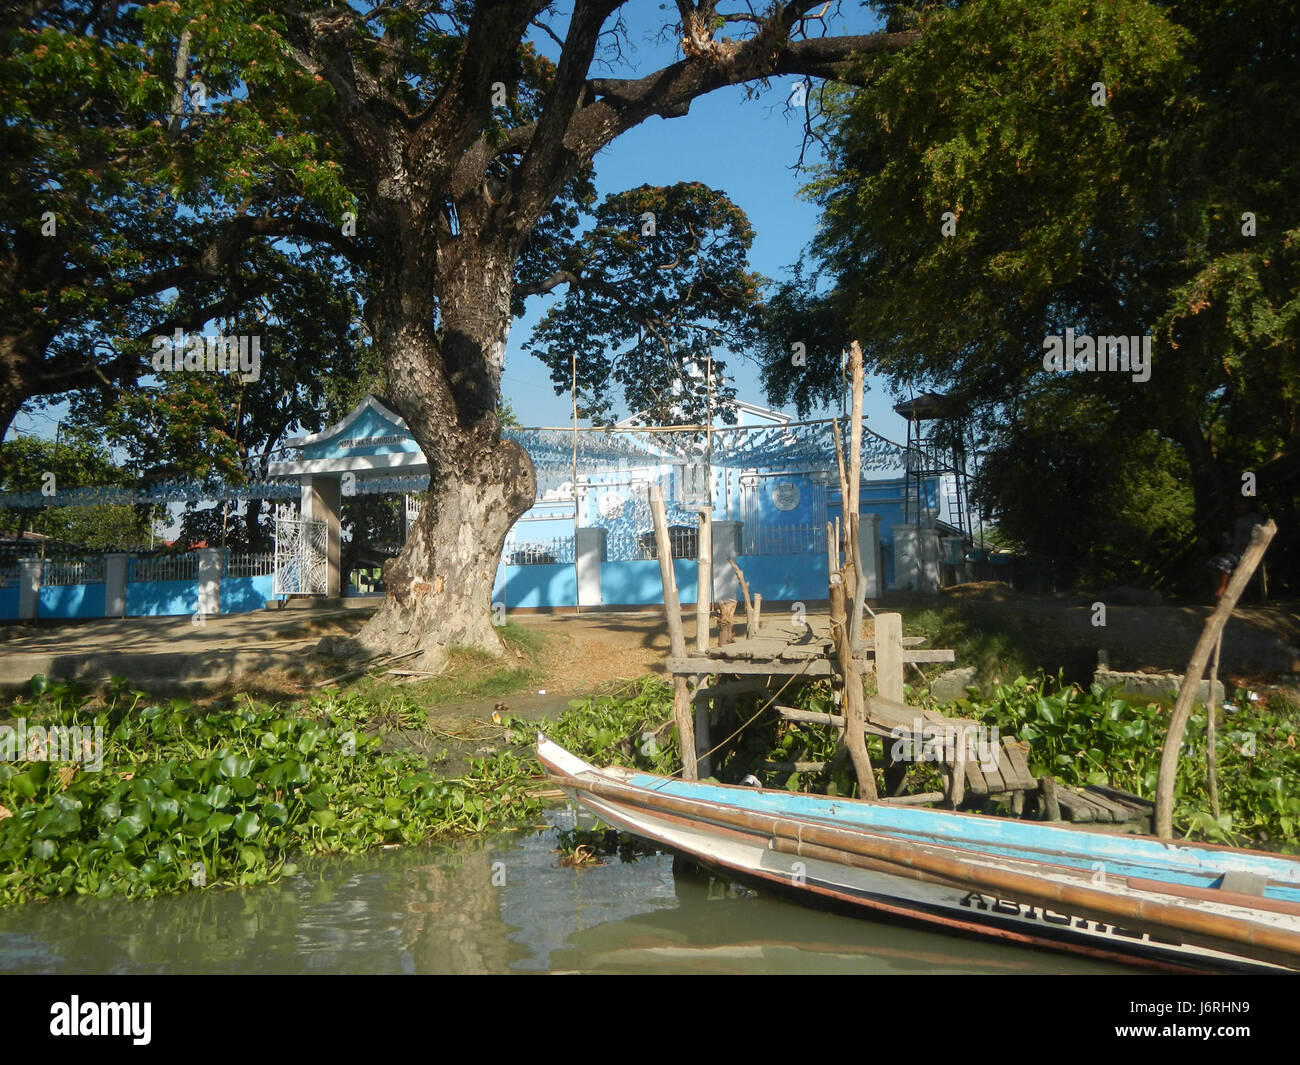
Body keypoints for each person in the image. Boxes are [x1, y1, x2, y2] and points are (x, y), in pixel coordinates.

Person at [1208, 498, 1264, 599]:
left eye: (1241, 505)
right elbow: (1235, 540)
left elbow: (1261, 536)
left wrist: (1250, 545)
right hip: (1235, 551)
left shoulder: (1255, 519)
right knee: (1212, 563)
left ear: (1247, 505)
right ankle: (1219, 590)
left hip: (1248, 551)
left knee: (1225, 563)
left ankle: (1223, 589)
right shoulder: (1238, 520)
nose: (1238, 508)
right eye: (1237, 506)